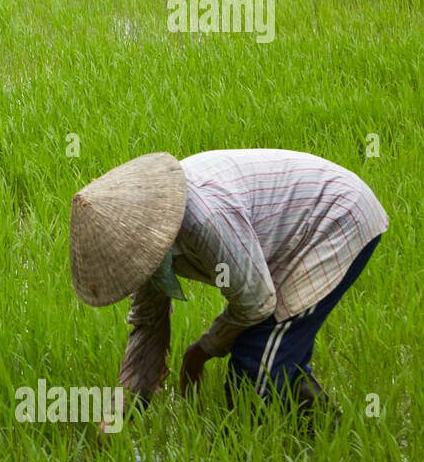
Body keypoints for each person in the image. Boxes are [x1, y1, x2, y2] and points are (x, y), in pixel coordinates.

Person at [70, 150, 387, 421]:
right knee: (274, 359)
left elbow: (256, 301)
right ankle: (325, 434)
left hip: (334, 218)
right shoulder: (148, 240)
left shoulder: (204, 218)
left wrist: (201, 351)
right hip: (288, 234)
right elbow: (148, 327)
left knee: (255, 367)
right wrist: (118, 416)